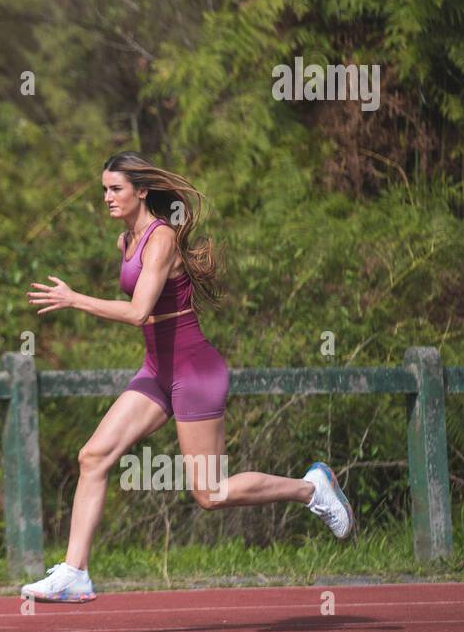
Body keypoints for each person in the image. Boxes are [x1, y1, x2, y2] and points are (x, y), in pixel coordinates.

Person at [21, 151, 353, 603]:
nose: (107, 197)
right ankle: (75, 572)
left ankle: (310, 489)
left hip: (195, 372)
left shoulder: (161, 240)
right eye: (104, 189)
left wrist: (75, 299)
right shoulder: (126, 241)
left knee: (210, 493)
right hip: (157, 372)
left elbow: (139, 312)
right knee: (93, 457)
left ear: (142, 190)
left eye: (115, 188)